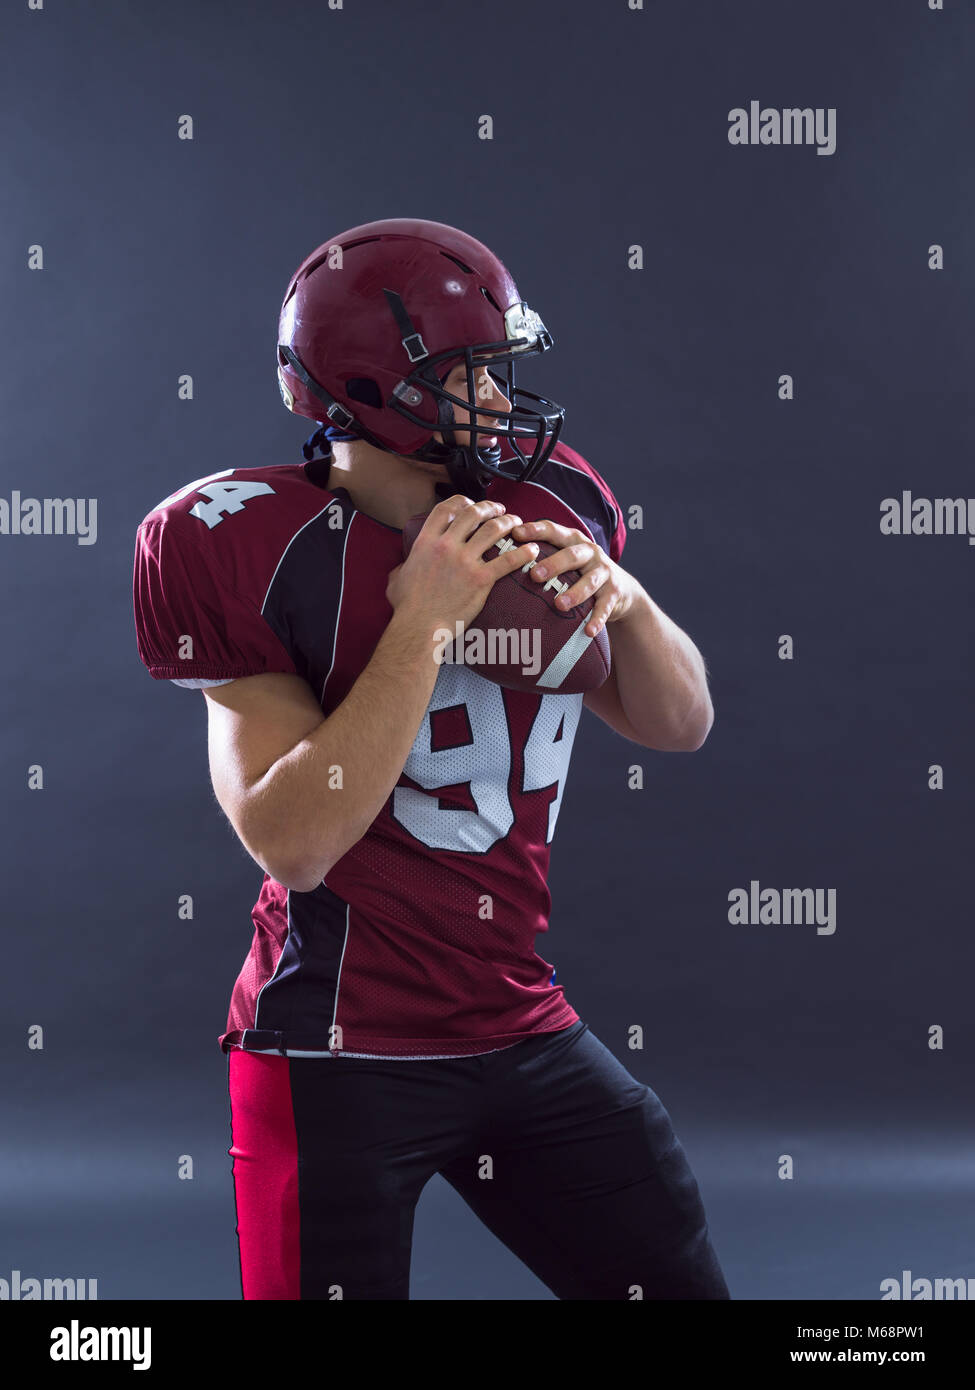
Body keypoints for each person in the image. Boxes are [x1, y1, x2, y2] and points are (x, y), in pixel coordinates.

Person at [132, 217, 729, 1301]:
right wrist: (423, 624)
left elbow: (679, 723)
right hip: (333, 1050)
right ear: (373, 390)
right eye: (472, 379)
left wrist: (627, 600)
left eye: (502, 375)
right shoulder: (244, 547)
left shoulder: (551, 507)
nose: (500, 406)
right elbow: (295, 843)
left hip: (519, 1021)